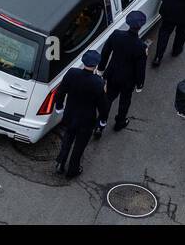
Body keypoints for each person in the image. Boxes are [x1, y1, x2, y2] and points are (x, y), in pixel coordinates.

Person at [53, 50, 109, 179]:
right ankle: (73, 169)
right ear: (96, 65)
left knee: (67, 139)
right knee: (79, 145)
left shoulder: (72, 73)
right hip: (86, 120)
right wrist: (103, 120)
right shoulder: (98, 83)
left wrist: (59, 107)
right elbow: (103, 105)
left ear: (83, 61)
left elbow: (61, 92)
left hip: (70, 115)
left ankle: (60, 163)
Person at [97, 10, 148, 133]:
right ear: (140, 26)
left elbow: (105, 52)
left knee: (108, 99)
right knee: (125, 101)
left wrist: (101, 68)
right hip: (128, 80)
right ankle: (120, 122)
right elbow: (140, 68)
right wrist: (140, 84)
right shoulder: (141, 47)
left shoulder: (116, 35)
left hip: (113, 74)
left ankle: (100, 124)